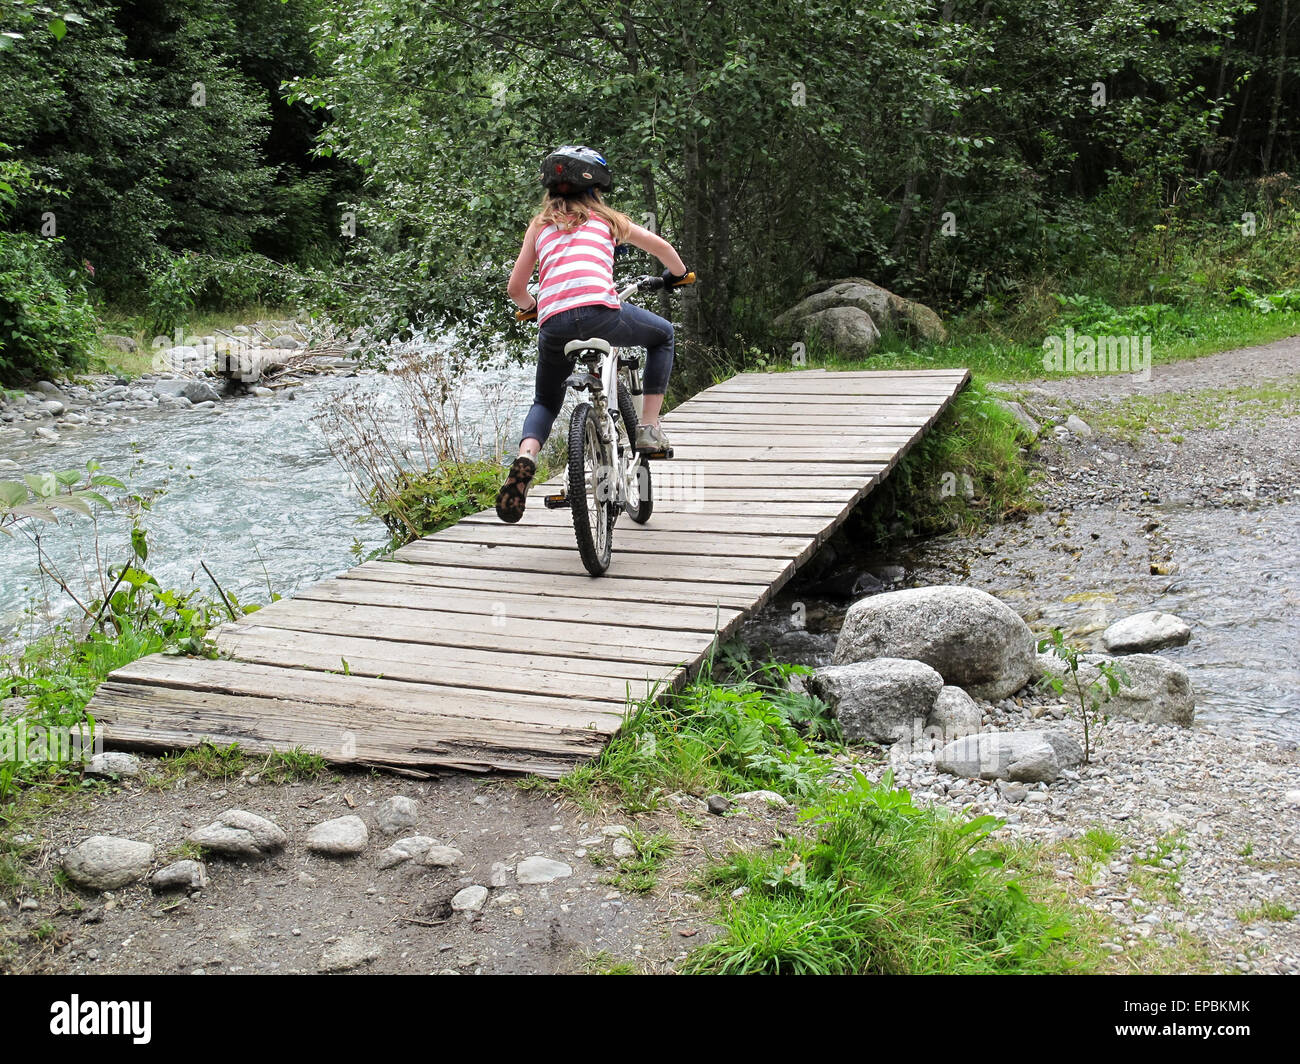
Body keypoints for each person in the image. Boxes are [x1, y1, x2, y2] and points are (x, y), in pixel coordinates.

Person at [495, 145, 691, 523]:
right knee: (663, 334)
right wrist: (677, 275)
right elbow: (663, 249)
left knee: (545, 402)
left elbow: (516, 288)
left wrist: (532, 306)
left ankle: (525, 458)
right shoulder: (608, 219)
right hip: (602, 313)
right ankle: (649, 428)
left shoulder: (539, 226)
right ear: (596, 187)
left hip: (553, 323)